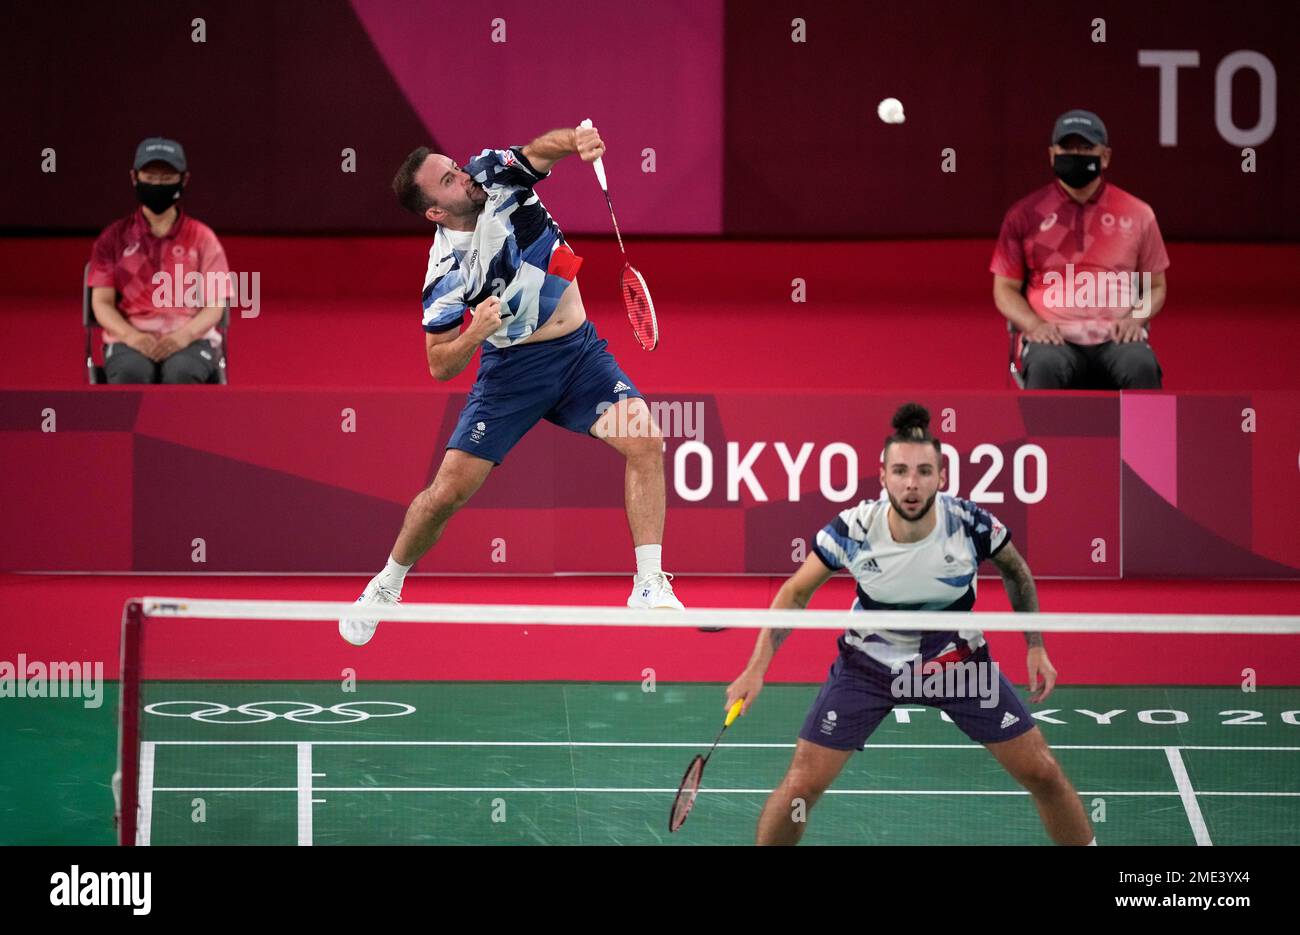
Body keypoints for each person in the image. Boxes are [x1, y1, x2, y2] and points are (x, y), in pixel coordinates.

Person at [340, 124, 681, 646]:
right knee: (447, 494)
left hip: (579, 354)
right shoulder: (445, 275)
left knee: (646, 441)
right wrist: (474, 333)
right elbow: (439, 365)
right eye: (449, 180)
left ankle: (649, 583)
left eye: (454, 166)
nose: (463, 176)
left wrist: (576, 142)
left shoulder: (493, 176)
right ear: (435, 212)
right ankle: (386, 585)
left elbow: (542, 149)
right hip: (512, 374)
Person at [726, 403, 1095, 845]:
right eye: (900, 471)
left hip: (956, 663)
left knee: (1043, 772)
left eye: (924, 471)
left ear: (941, 477)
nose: (912, 483)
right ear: (882, 476)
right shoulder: (855, 529)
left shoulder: (970, 524)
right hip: (869, 666)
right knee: (802, 786)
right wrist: (756, 668)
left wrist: (1035, 645)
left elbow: (1016, 570)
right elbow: (795, 592)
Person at [991, 109, 1168, 390]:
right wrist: (1033, 324)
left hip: (1117, 339)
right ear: (1052, 154)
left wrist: (1136, 318)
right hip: (1054, 340)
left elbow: (1154, 286)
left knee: (1140, 365)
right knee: (1045, 366)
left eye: (1086, 148)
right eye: (1067, 147)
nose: (1076, 154)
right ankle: (1043, 438)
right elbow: (1005, 288)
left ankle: (1147, 437)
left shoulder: (1137, 214)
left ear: (1105, 156)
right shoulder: (1024, 215)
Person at [88, 137, 228, 384]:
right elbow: (102, 303)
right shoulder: (113, 239)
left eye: (166, 179)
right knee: (131, 374)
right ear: (134, 178)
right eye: (150, 178)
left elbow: (215, 305)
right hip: (127, 339)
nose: (157, 185)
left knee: (181, 374)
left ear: (184, 180)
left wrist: (182, 337)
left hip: (191, 338)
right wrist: (132, 337)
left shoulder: (203, 238)